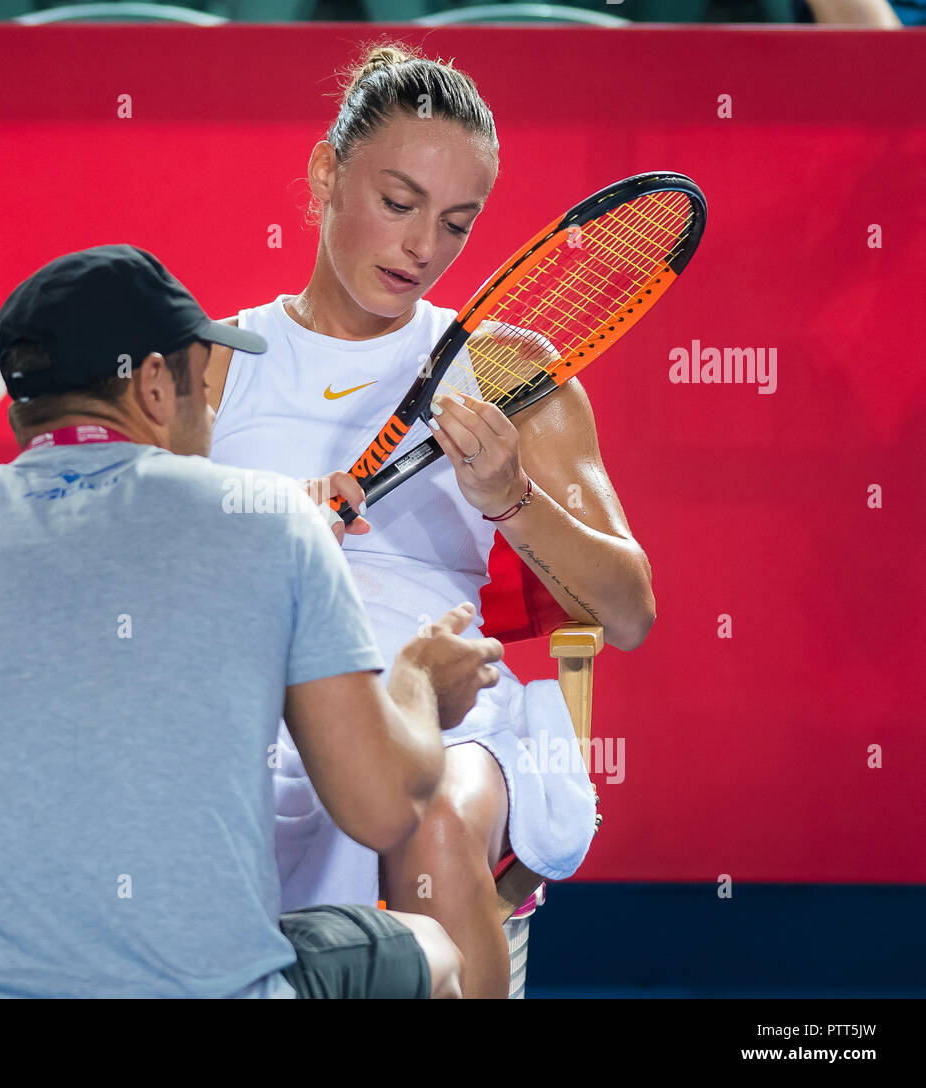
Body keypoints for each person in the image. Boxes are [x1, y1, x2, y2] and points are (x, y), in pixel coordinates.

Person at [0, 243, 506, 999]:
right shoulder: (275, 527)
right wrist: (417, 685)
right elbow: (380, 812)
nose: (209, 409)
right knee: (435, 950)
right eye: (199, 383)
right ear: (152, 384)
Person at [206, 43, 656, 997]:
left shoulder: (509, 368)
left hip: (441, 708)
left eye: (456, 223)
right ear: (329, 171)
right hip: (245, 709)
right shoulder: (216, 364)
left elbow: (628, 612)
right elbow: (145, 567)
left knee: (435, 821)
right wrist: (275, 528)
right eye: (399, 203)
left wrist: (511, 500)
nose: (422, 248)